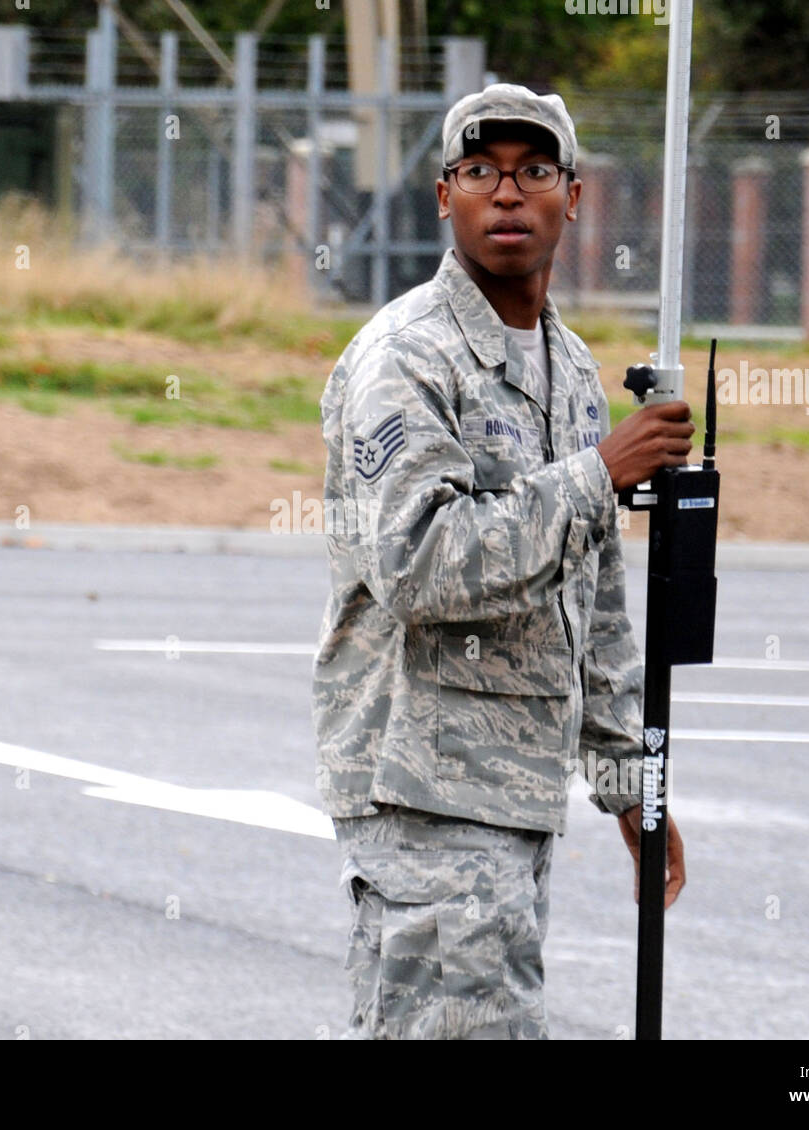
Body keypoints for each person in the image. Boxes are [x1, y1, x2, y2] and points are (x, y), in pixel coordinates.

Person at [311, 83, 689, 1040]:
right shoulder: (407, 358)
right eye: (480, 171)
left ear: (574, 193)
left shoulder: (570, 368)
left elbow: (594, 598)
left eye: (532, 172)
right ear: (444, 197)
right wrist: (597, 474)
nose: (507, 194)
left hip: (515, 793)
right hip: (424, 788)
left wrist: (628, 788)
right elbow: (420, 564)